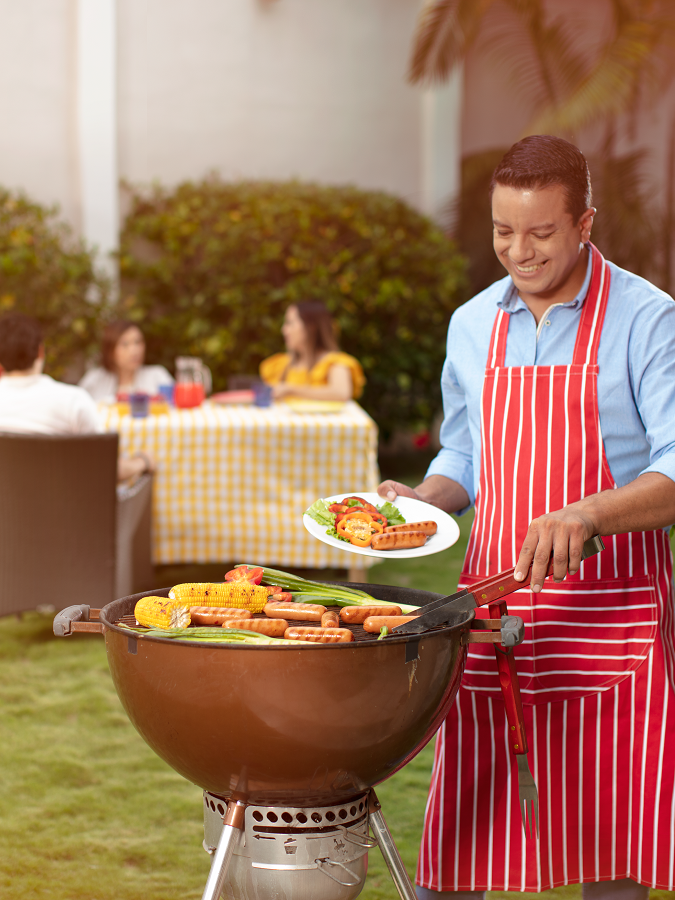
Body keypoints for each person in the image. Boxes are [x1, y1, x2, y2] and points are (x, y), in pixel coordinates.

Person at [378, 136, 675, 899]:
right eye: (503, 231)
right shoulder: (471, 323)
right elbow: (463, 453)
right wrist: (425, 499)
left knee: (611, 836)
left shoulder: (648, 319)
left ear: (584, 223)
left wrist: (588, 513)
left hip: (610, 617)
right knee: (461, 832)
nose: (519, 252)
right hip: (494, 610)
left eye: (541, 232)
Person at [0, 313, 152, 482]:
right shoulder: (73, 401)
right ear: (40, 352)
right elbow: (106, 469)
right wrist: (142, 461)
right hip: (63, 499)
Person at [259, 301, 365, 401]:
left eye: (290, 323)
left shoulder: (334, 363)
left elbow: (341, 393)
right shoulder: (281, 364)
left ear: (310, 326)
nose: (284, 330)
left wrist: (291, 390)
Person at [79, 320, 173, 402]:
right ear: (110, 350)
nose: (134, 351)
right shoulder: (94, 380)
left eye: (138, 342)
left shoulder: (158, 377)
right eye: (125, 344)